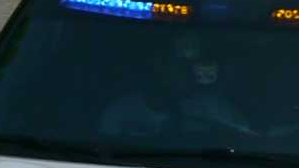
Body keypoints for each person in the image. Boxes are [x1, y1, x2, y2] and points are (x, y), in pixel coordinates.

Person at [98, 32, 252, 138]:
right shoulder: (122, 111)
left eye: (182, 68)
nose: (174, 76)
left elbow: (246, 137)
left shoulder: (215, 109)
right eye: (168, 67)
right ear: (156, 67)